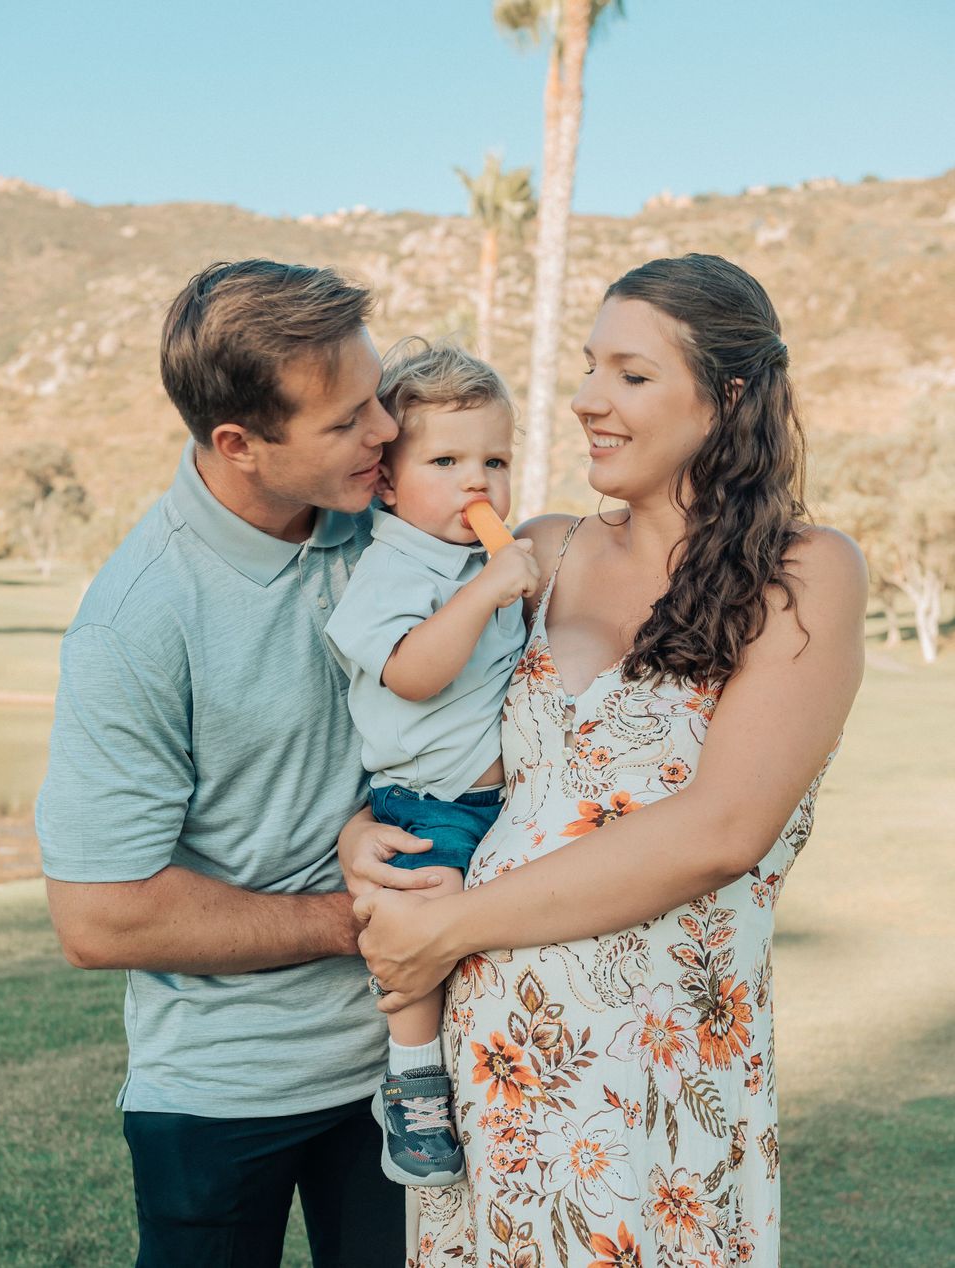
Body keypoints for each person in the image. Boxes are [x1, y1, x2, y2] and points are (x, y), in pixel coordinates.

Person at [346, 255, 868, 1267]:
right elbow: (404, 711)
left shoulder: (805, 573)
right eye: (589, 368)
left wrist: (444, 925)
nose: (586, 399)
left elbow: (722, 832)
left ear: (725, 396)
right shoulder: (538, 550)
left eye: (628, 374)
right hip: (487, 1073)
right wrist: (357, 831)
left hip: (659, 1082)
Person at [35, 259, 432, 1268]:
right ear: (239, 445)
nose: (385, 430)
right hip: (216, 1096)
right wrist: (359, 920)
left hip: (407, 1066)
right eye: (347, 422)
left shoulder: (392, 524)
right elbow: (99, 913)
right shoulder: (136, 617)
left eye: (377, 397)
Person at [324, 338, 540, 1187]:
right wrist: (487, 590)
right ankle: (411, 1083)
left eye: (495, 459)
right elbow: (413, 673)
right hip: (428, 804)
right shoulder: (393, 569)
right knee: (418, 924)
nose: (476, 483)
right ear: (387, 481)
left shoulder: (487, 556)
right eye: (445, 460)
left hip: (505, 803)